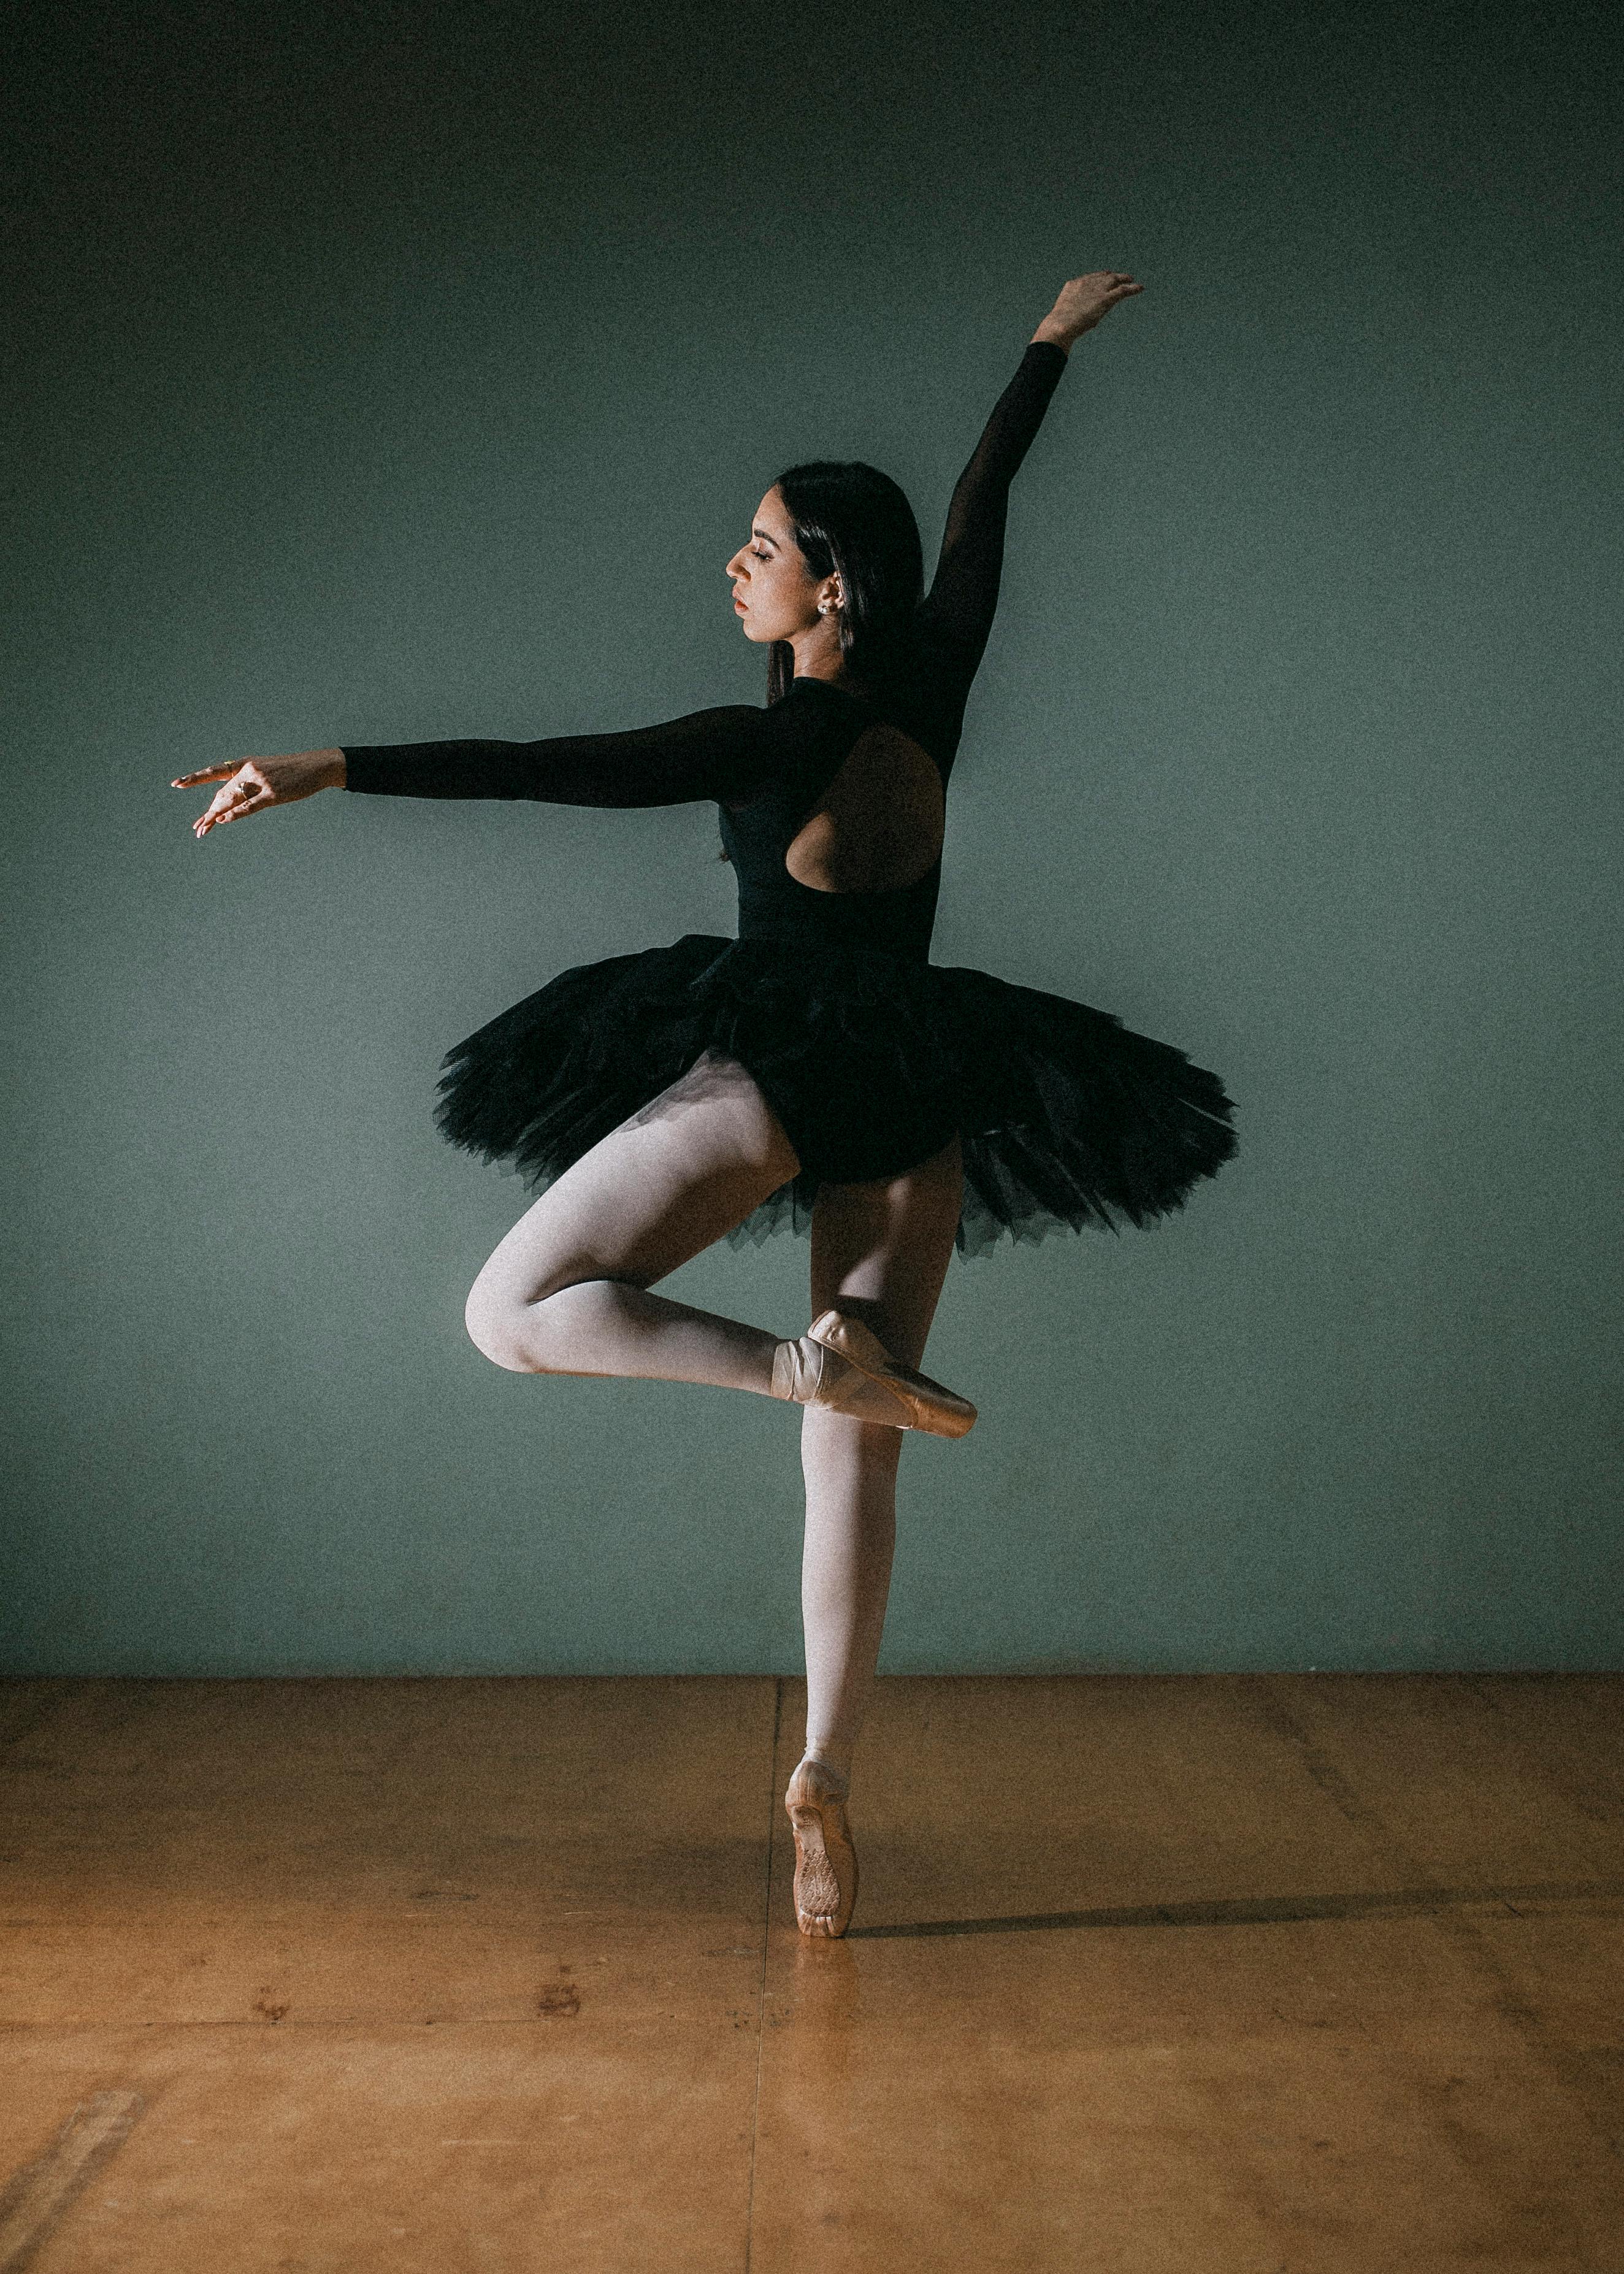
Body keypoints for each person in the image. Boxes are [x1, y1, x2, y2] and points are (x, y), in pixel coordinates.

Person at [175, 271, 1236, 1938]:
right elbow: (981, 505)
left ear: (833, 580)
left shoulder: (776, 737)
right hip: (925, 1079)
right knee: (857, 1457)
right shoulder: (937, 675)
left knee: (511, 1310)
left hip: (780, 1074)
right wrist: (1040, 353)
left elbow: (542, 761)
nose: (735, 567)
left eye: (762, 546)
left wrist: (329, 765)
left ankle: (798, 1370)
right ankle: (823, 1770)